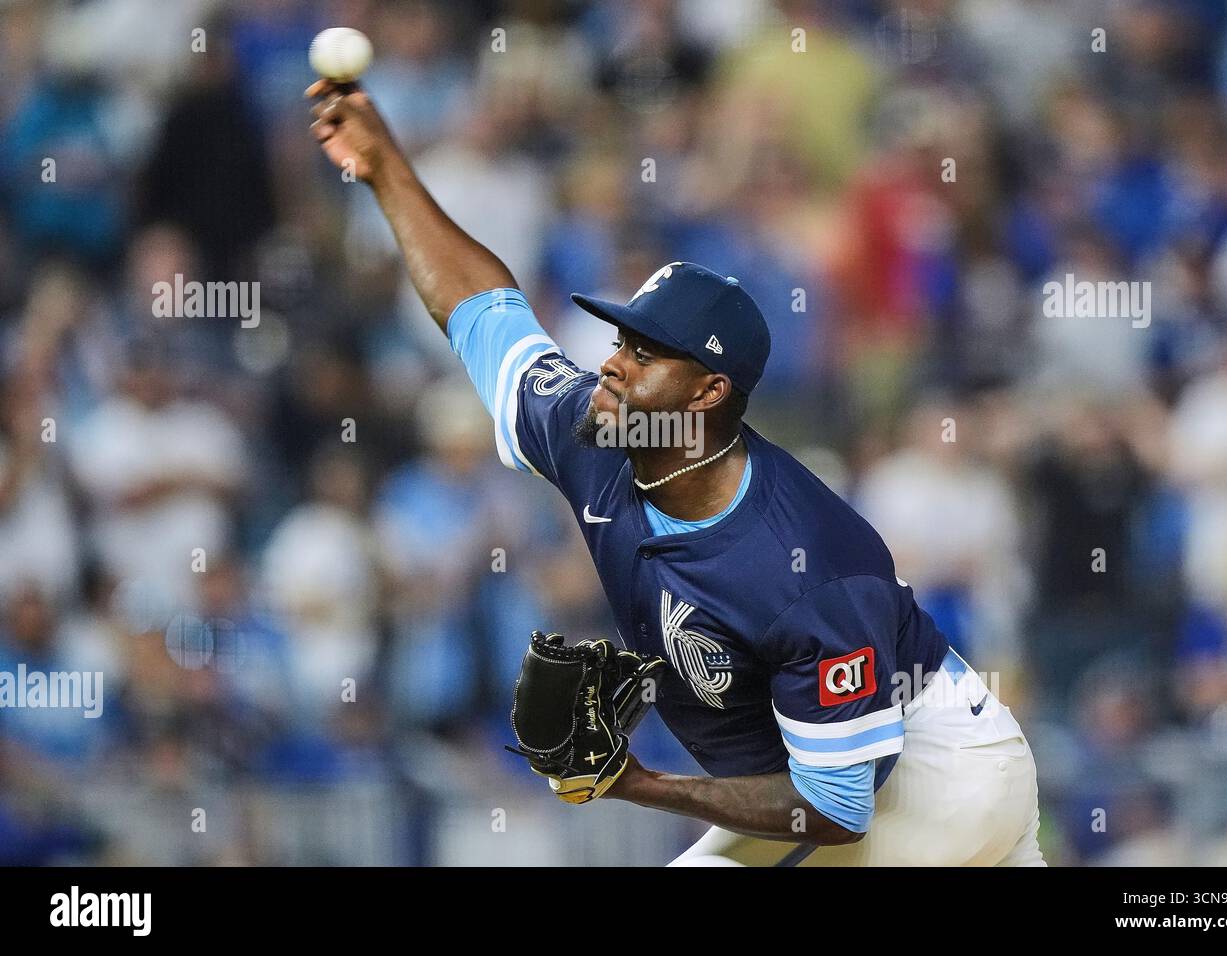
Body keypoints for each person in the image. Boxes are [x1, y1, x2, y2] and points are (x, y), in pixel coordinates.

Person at [305, 80, 1044, 865]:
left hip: (937, 775)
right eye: (622, 342)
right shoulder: (592, 430)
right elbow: (483, 307)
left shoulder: (806, 565)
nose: (613, 366)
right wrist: (386, 169)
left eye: (647, 354)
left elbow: (834, 810)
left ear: (710, 390)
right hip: (831, 780)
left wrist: (634, 781)